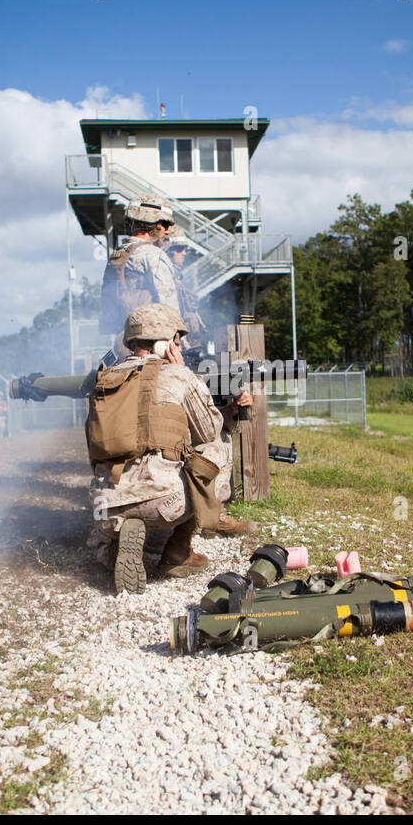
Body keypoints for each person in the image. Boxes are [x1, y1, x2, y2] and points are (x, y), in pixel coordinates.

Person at [85, 304, 251, 594]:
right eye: (177, 340)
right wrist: (190, 378)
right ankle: (178, 552)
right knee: (217, 442)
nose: (179, 345)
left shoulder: (103, 380)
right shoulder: (179, 376)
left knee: (110, 501)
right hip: (163, 504)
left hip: (104, 504)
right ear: (165, 343)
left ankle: (109, 544)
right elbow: (209, 429)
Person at [100, 194, 203, 344]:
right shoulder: (153, 255)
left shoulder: (120, 252)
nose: (167, 231)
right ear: (154, 224)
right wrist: (180, 342)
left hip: (124, 339)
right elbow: (169, 305)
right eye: (165, 225)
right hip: (151, 342)